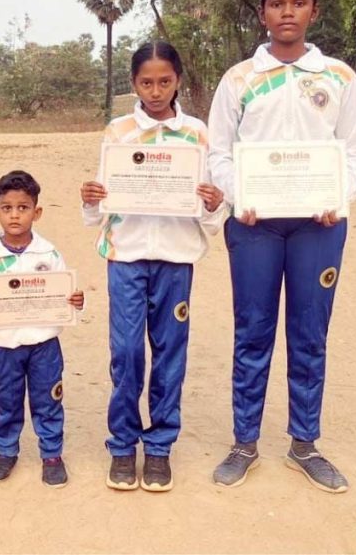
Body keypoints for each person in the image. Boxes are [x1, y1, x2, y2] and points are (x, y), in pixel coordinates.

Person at [207, 0, 356, 493]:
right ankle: (244, 443)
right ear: (262, 13)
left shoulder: (339, 78)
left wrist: (335, 196)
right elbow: (219, 154)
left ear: (314, 10)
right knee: (252, 332)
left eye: (298, 2)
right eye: (277, 3)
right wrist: (241, 197)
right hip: (255, 226)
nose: (287, 12)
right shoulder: (239, 80)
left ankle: (305, 444)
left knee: (309, 334)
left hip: (318, 227)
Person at [80, 40, 226, 492]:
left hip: (177, 258)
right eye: (147, 82)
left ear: (178, 80)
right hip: (125, 254)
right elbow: (103, 200)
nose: (156, 91)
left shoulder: (198, 134)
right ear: (133, 84)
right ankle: (122, 445)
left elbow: (211, 207)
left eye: (165, 81)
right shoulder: (118, 131)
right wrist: (92, 199)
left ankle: (159, 446)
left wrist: (212, 204)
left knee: (169, 352)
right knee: (125, 353)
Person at [0, 170, 85, 488]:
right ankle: (5, 450)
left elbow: (65, 292)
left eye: (23, 207)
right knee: (8, 400)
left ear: (37, 211)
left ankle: (52, 455)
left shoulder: (49, 253)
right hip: (4, 345)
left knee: (49, 399)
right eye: (7, 208)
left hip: (44, 344)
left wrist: (74, 299)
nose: (15, 215)